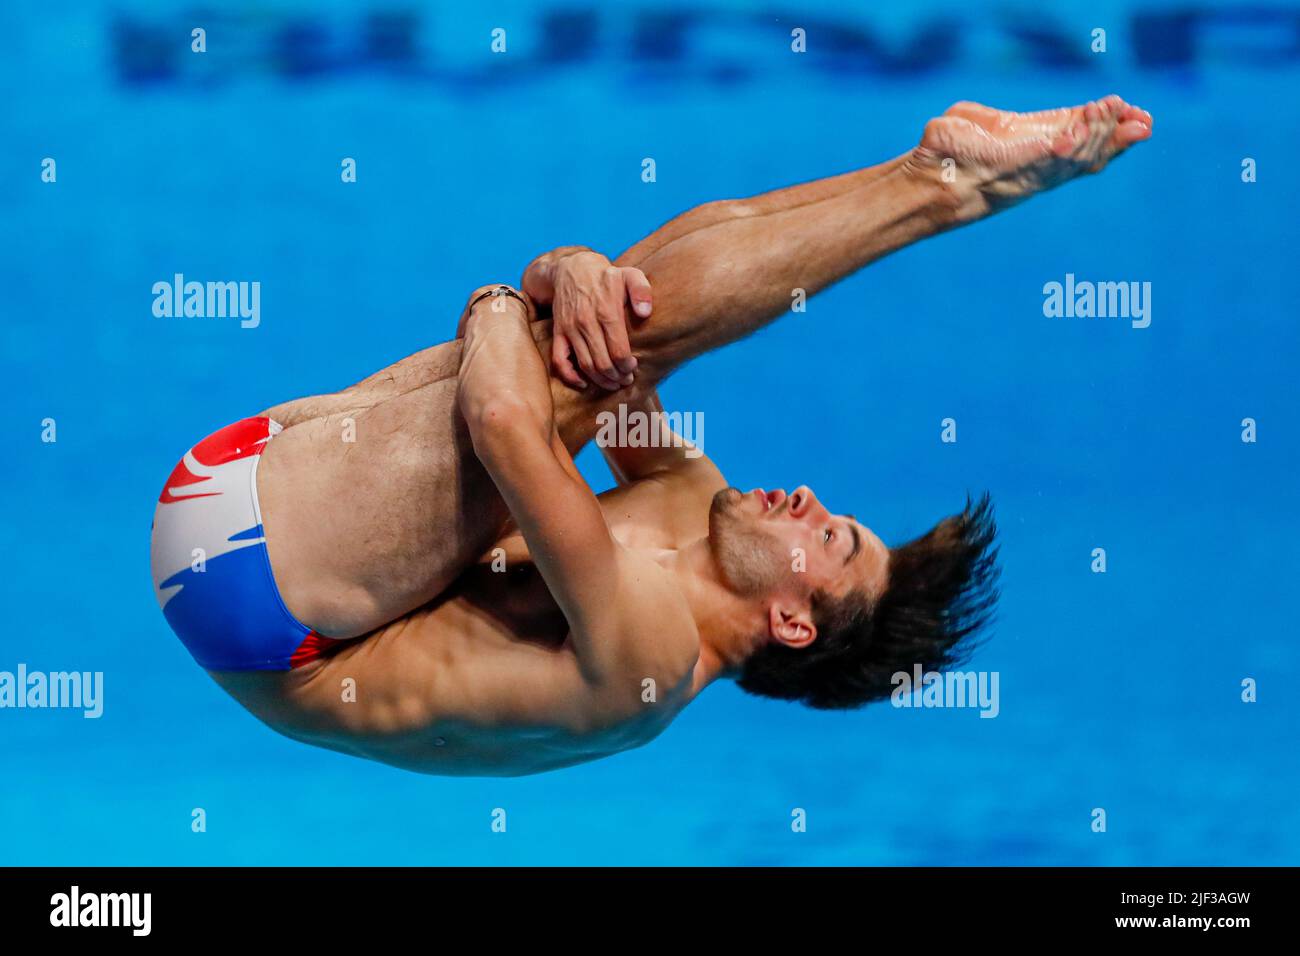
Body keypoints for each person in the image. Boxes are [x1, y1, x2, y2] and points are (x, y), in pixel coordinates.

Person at [150, 97, 1152, 775]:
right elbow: (623, 341)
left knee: (572, 349)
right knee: (621, 323)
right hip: (291, 487)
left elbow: (504, 419)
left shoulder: (647, 661)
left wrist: (511, 288)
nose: (809, 498)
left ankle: (946, 187)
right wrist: (573, 266)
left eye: (832, 537)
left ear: (794, 621)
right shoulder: (688, 497)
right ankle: (918, 167)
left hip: (263, 594)